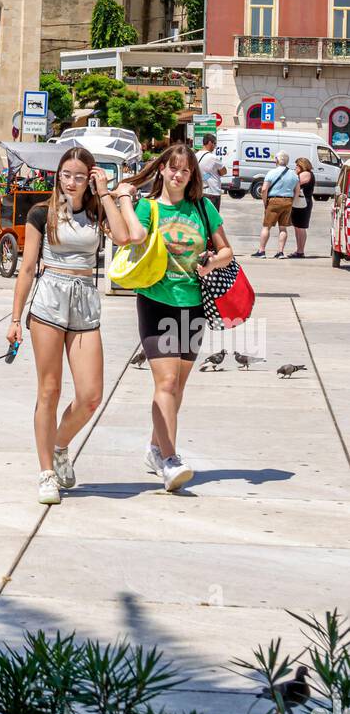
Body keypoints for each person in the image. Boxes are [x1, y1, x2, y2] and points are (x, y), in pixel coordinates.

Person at [7, 148, 140, 505]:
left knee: (90, 395)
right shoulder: (41, 213)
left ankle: (60, 443)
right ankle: (46, 471)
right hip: (49, 299)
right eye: (67, 174)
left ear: (90, 178)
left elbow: (126, 237)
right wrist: (16, 318)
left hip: (83, 302)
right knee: (49, 390)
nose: (71, 182)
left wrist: (106, 192)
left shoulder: (97, 211)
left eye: (80, 176)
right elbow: (27, 267)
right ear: (58, 175)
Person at [115, 144, 235, 493]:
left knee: (177, 387)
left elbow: (227, 251)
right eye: (173, 168)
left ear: (192, 175)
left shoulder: (203, 207)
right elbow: (129, 236)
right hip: (157, 301)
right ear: (162, 170)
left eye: (185, 170)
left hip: (194, 303)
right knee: (166, 383)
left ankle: (155, 449)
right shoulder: (148, 207)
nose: (179, 174)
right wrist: (124, 197)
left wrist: (213, 261)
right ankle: (170, 460)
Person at [252, 151, 299, 258]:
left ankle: (262, 251)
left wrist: (265, 202)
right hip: (288, 201)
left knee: (266, 227)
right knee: (283, 228)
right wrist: (292, 202)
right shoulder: (293, 174)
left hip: (274, 200)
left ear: (277, 160)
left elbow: (264, 189)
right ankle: (280, 252)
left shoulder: (271, 172)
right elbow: (297, 191)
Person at [288, 157, 315, 258]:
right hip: (299, 202)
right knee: (297, 227)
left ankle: (300, 251)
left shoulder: (306, 174)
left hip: (303, 202)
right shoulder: (302, 173)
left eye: (297, 165)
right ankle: (298, 249)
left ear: (302, 166)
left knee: (301, 227)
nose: (295, 167)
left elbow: (294, 183)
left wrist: (294, 173)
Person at [196, 134, 226, 212]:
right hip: (213, 193)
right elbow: (224, 172)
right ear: (210, 142)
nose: (215, 146)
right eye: (214, 143)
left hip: (199, 192)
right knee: (213, 220)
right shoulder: (213, 158)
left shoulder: (195, 156)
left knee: (202, 218)